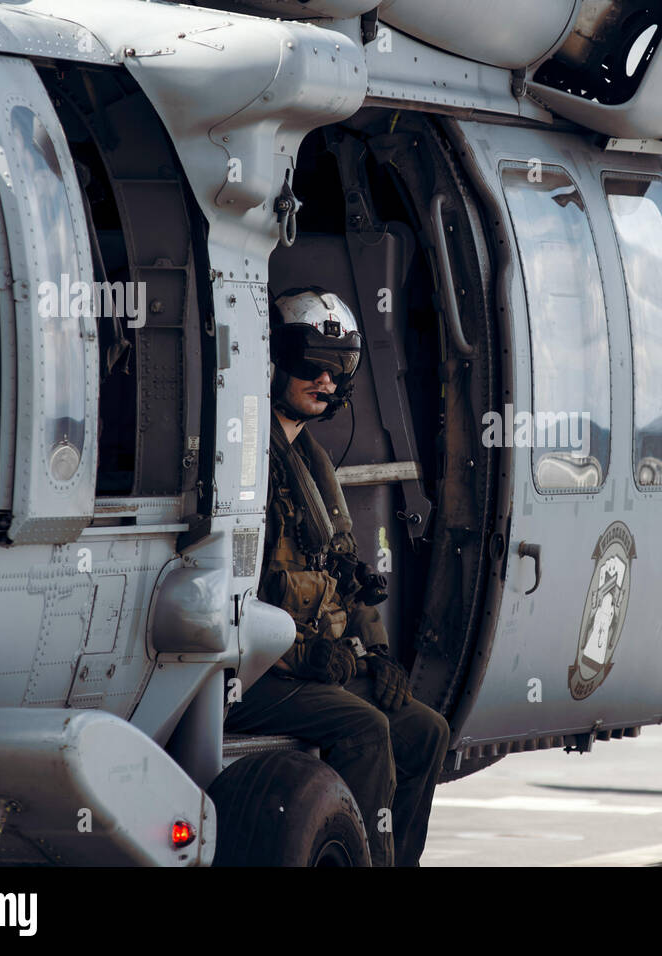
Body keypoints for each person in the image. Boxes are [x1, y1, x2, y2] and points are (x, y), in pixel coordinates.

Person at [225, 287, 450, 867]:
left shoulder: (309, 462)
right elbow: (234, 596)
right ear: (273, 361)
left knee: (425, 731)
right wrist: (305, 658)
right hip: (252, 676)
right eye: (312, 365)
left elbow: (341, 568)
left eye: (339, 366)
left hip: (312, 663)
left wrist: (375, 654)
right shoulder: (248, 461)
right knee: (366, 729)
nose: (326, 381)